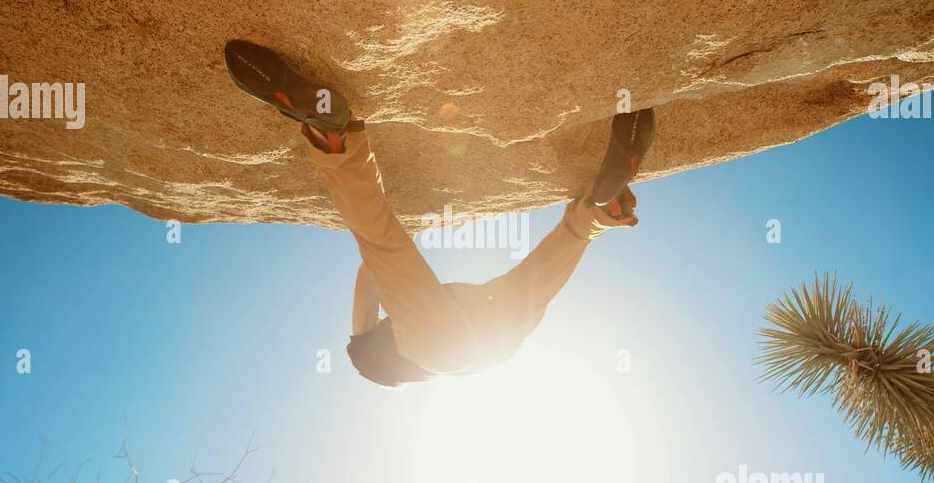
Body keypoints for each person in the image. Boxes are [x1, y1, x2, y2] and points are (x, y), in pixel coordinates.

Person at [225, 40, 655, 387]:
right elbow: (371, 268)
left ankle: (603, 210)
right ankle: (334, 138)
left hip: (496, 346)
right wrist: (395, 247)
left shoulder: (411, 367)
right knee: (378, 240)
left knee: (551, 263)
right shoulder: (364, 352)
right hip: (444, 341)